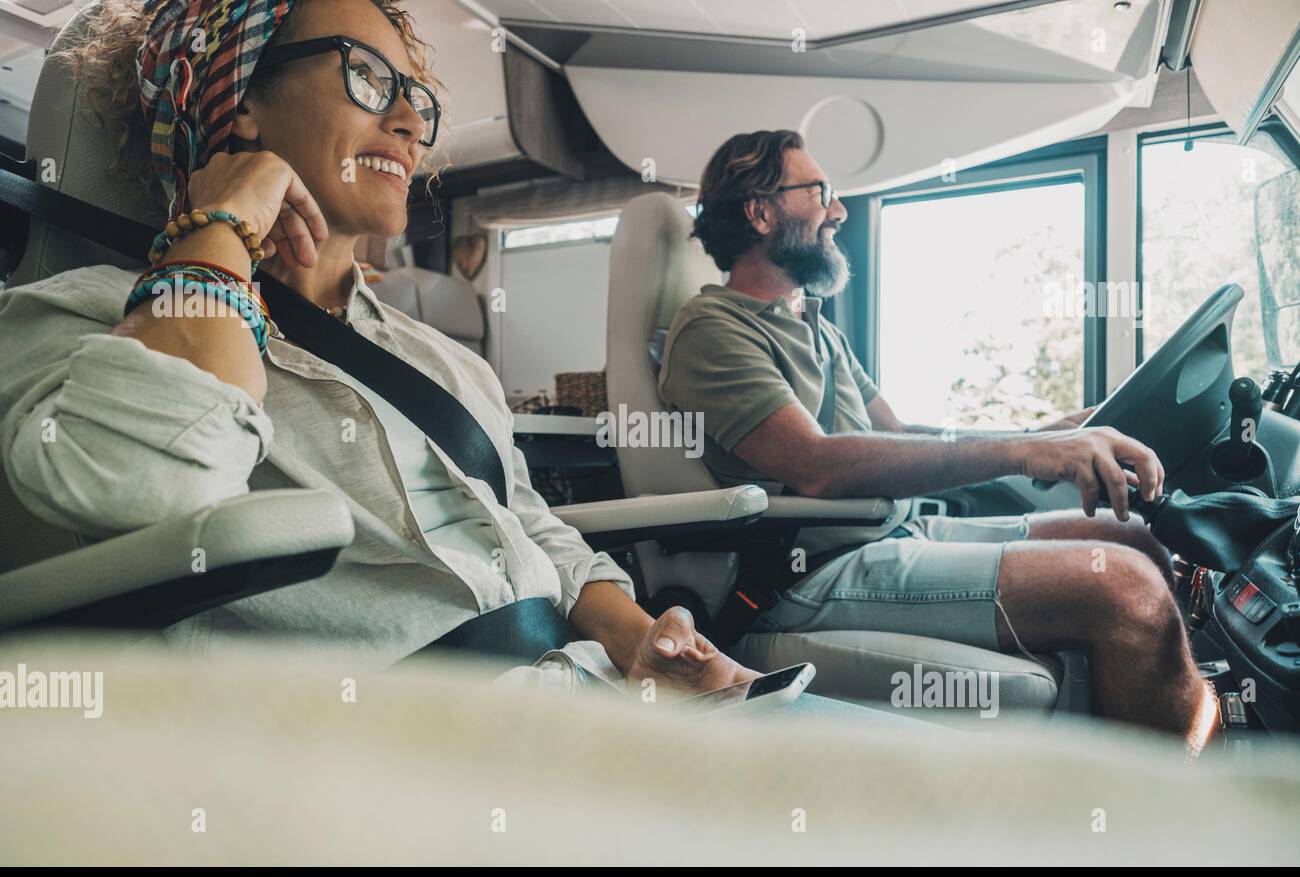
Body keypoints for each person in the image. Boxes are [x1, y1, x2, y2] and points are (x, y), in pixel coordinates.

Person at [0, 0, 916, 725]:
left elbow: (534, 529)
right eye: (365, 77)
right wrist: (219, 229)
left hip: (599, 695)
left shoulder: (440, 361)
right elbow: (145, 482)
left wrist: (642, 641)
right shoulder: (71, 321)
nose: (410, 121)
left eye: (417, 99)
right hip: (422, 748)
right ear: (237, 95)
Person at [657, 129, 1221, 751]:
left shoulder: (814, 327)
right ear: (760, 212)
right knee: (1126, 590)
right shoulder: (711, 328)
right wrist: (1023, 452)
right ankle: (1166, 823)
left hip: (895, 532)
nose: (838, 211)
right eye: (820, 192)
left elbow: (893, 435)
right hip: (803, 572)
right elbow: (815, 465)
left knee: (1131, 538)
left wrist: (1041, 433)